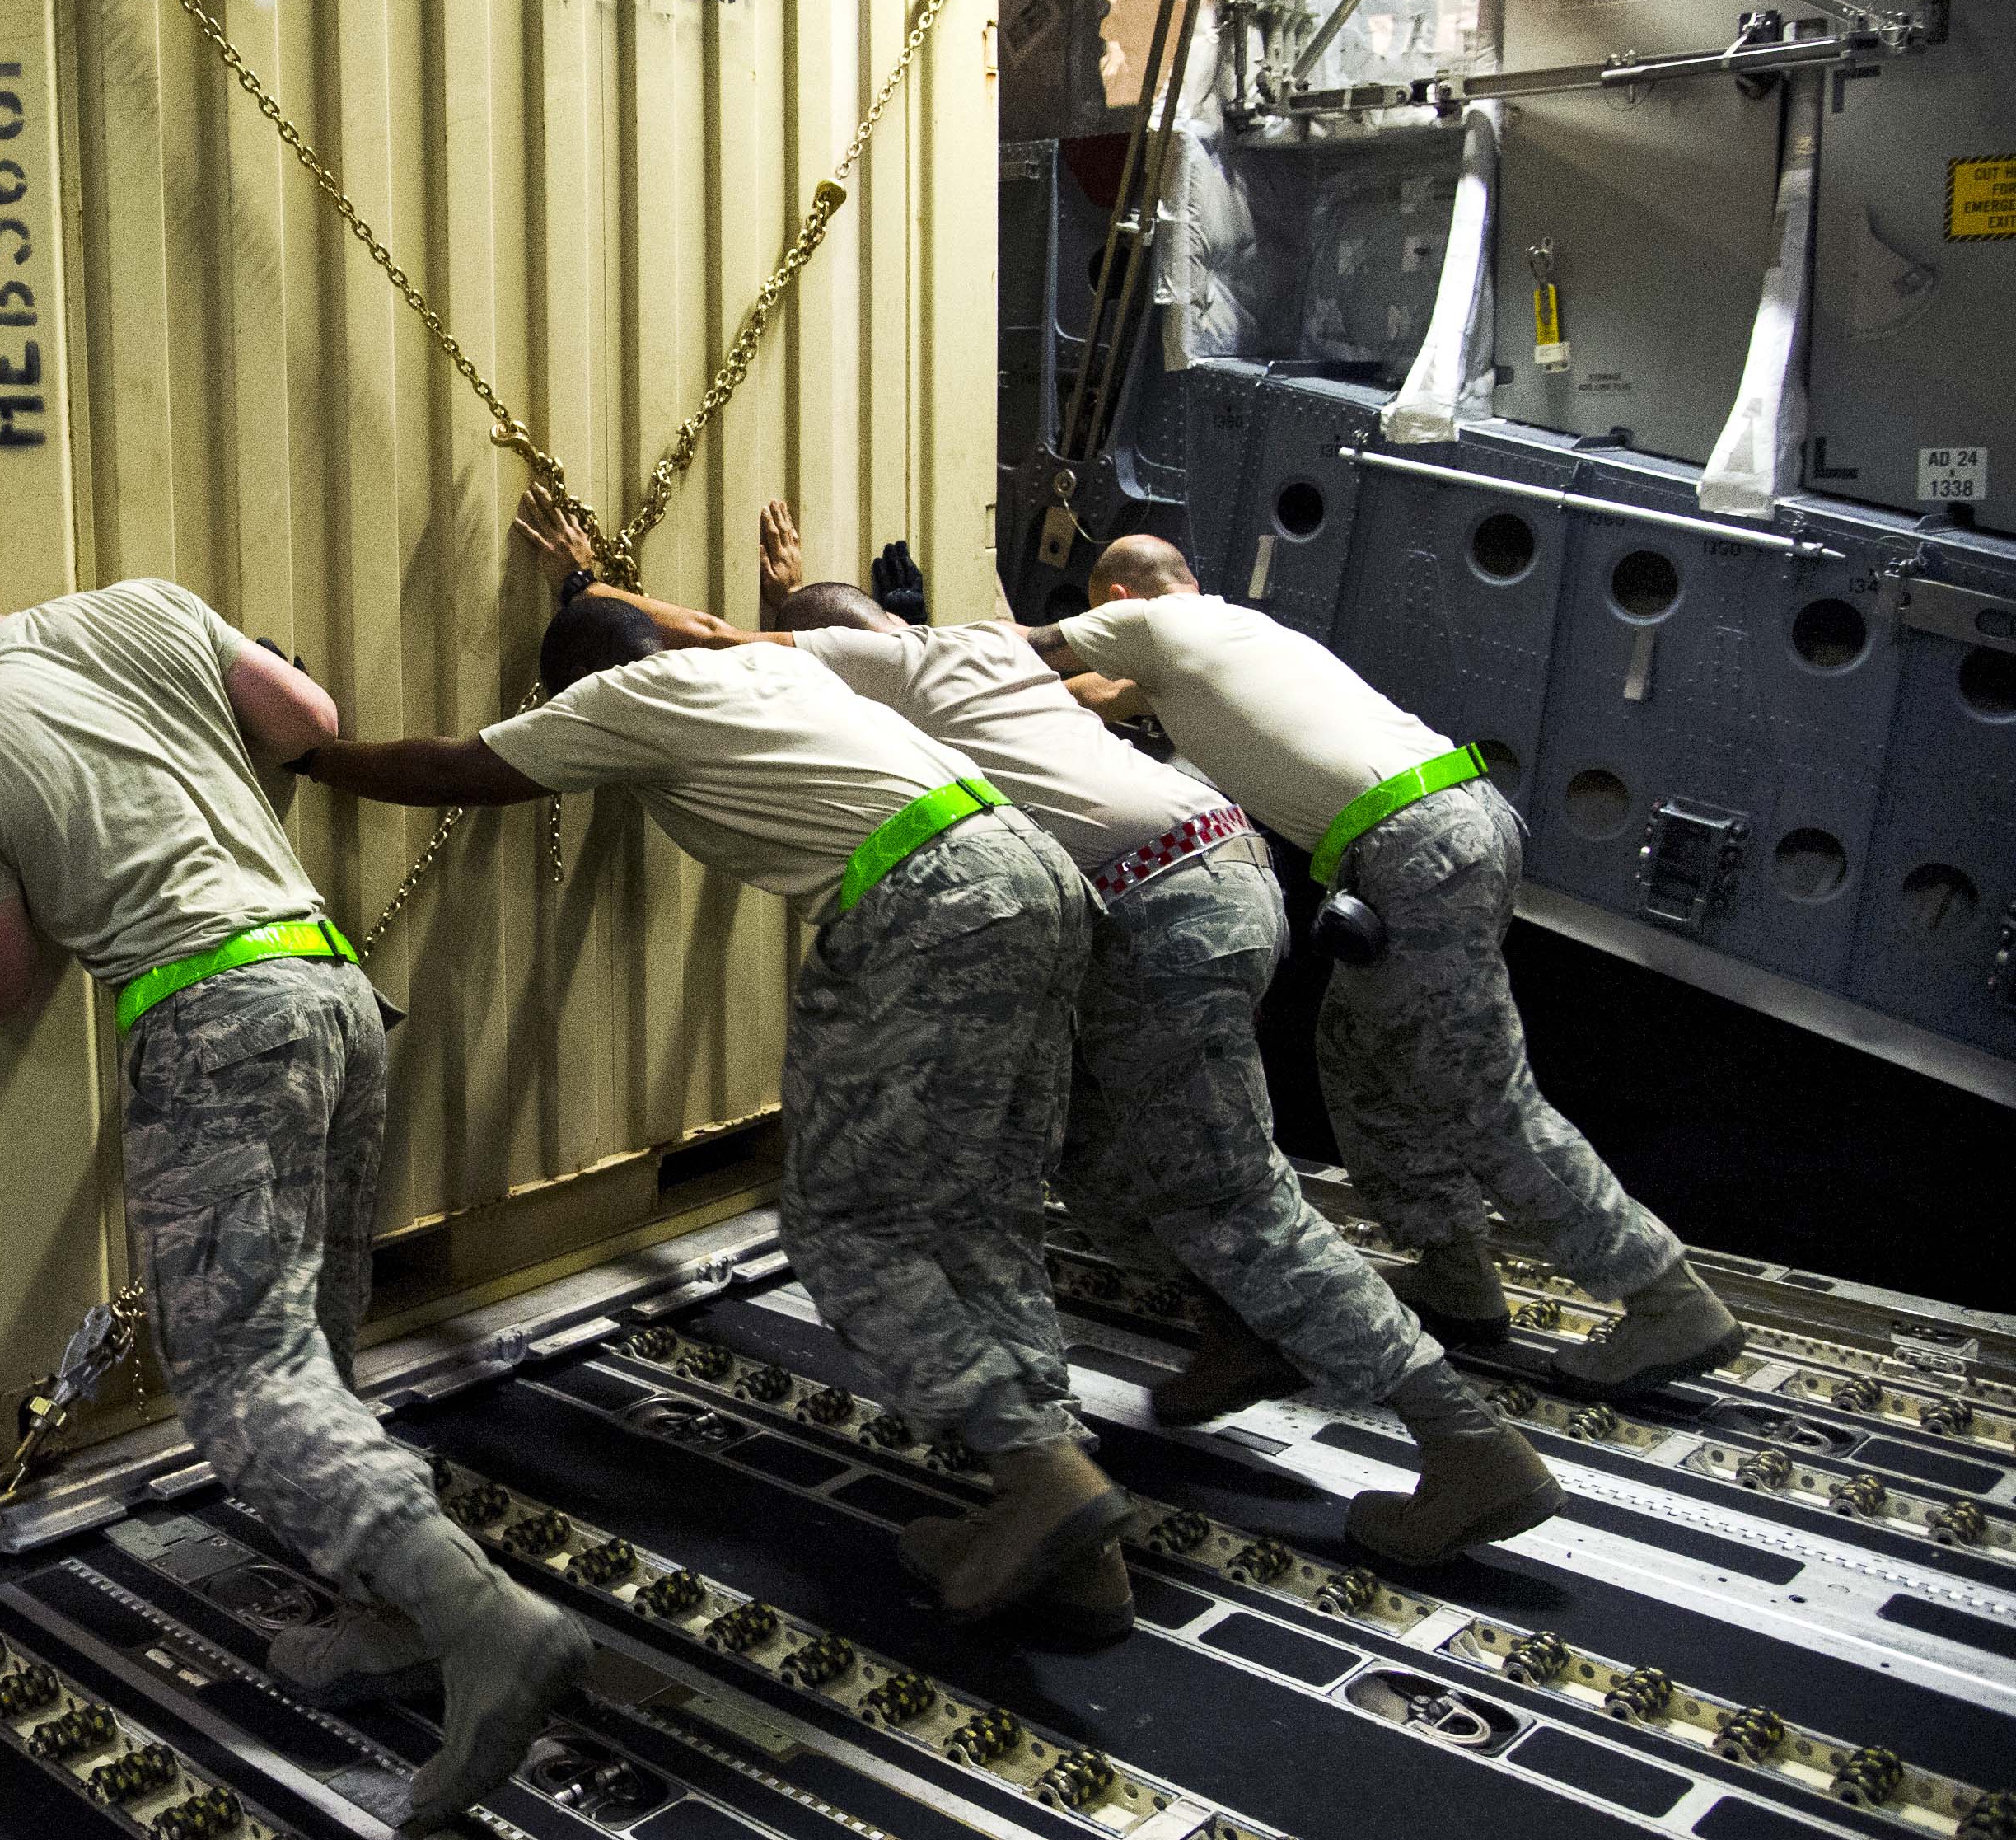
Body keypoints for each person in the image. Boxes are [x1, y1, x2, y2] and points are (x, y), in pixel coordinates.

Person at [518, 496, 1561, 1570]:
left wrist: (588, 591)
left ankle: (1466, 1448)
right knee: (1092, 1161)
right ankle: (1229, 1337)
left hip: (1154, 912)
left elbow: (706, 653)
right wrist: (793, 596)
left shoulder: (873, 698)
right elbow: (795, 651)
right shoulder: (955, 660)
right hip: (1199, 889)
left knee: (1230, 1202)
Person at [0, 523, 587, 1835]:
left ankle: (482, 1623)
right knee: (311, 1341)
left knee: (238, 1378)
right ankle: (384, 1607)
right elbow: (305, 716)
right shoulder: (139, 608)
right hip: (330, 991)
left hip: (212, 1021)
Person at [299, 572, 1135, 1626]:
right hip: (1037, 874)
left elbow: (455, 765)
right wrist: (583, 579)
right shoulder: (751, 664)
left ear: (572, 684)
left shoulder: (614, 699)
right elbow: (681, 632)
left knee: (849, 1229)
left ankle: (1042, 1475)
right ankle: (1074, 1554)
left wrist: (307, 751)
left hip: (926, 906)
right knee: (983, 1221)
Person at [1019, 536, 1743, 1405]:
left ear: (1118, 595)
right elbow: (1092, 695)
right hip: (1442, 827)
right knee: (1361, 1057)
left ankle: (1664, 1297)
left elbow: (1014, 654)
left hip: (1411, 844)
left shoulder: (1146, 620)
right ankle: (1454, 1274)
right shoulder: (1223, 637)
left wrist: (889, 643)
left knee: (1475, 1091)